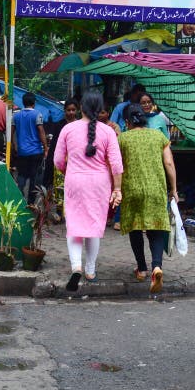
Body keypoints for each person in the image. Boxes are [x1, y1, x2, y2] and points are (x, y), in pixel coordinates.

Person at [53, 90, 123, 291]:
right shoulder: (109, 131)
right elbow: (116, 165)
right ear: (100, 110)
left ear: (81, 107)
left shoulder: (68, 129)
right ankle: (90, 270)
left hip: (75, 180)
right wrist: (117, 188)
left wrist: (70, 170)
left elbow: (58, 160)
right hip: (99, 183)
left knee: (74, 225)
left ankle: (76, 266)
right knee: (94, 225)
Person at [118, 104, 178, 294]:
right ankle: (156, 267)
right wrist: (174, 189)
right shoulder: (159, 136)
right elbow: (168, 162)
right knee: (156, 227)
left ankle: (142, 269)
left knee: (135, 227)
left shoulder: (122, 138)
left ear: (127, 122)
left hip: (132, 189)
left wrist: (115, 189)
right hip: (155, 189)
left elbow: (117, 166)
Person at [12, 92, 48, 201]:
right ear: (34, 103)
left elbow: (11, 131)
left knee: (22, 175)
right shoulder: (37, 114)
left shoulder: (16, 116)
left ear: (23, 102)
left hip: (22, 152)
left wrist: (14, 145)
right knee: (34, 178)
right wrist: (45, 147)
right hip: (35, 152)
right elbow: (41, 131)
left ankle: (19, 197)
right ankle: (31, 202)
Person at [47, 99, 79, 218]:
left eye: (73, 110)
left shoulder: (81, 125)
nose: (71, 112)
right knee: (60, 187)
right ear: (64, 111)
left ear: (77, 110)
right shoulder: (59, 125)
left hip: (75, 162)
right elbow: (54, 146)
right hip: (61, 162)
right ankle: (59, 212)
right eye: (68, 110)